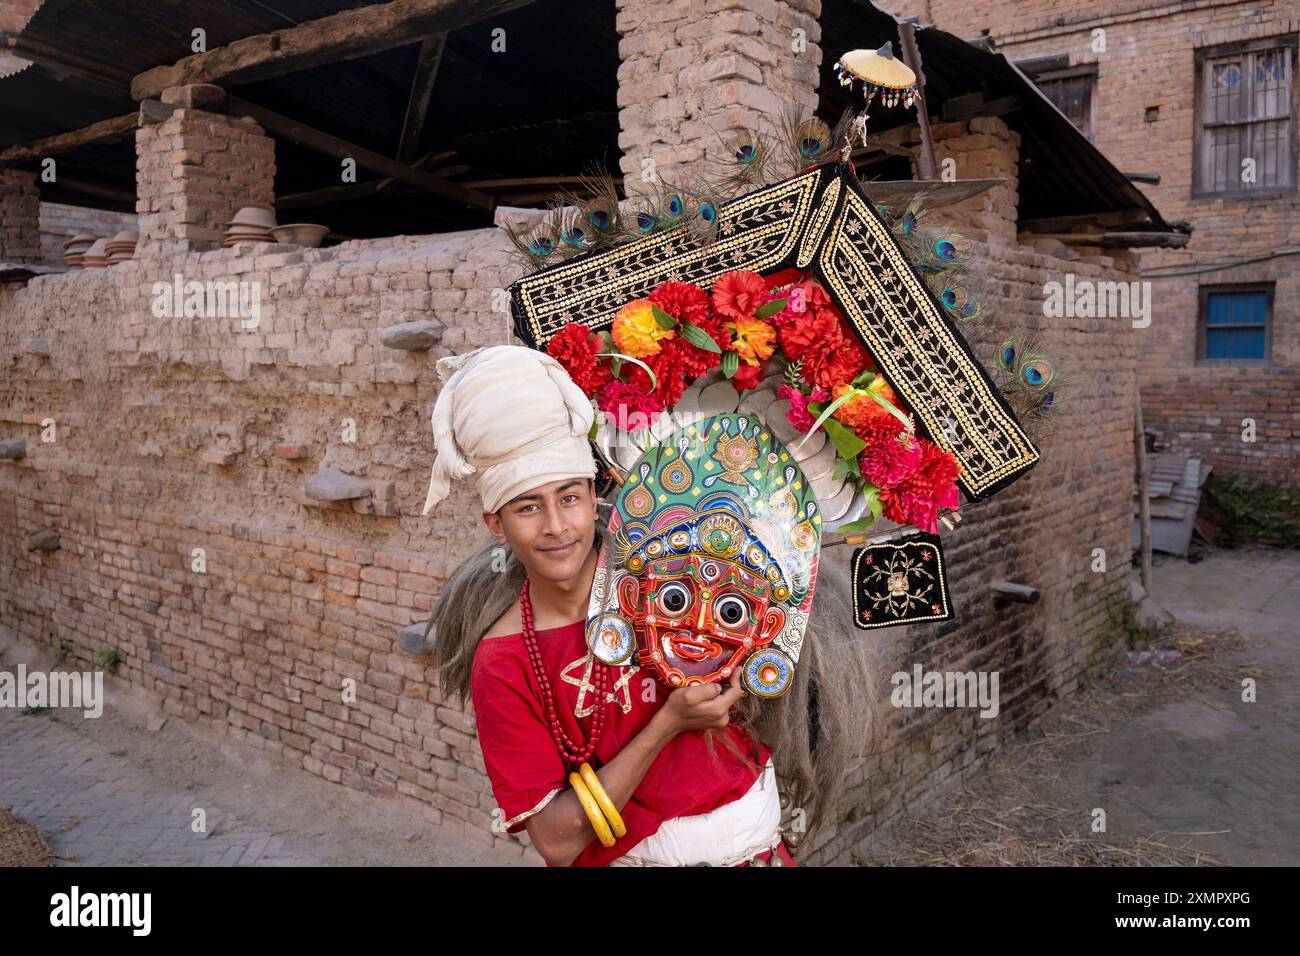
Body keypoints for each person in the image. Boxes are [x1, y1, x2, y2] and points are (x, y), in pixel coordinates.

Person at [421, 345, 798, 866]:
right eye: (529, 507)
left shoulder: (682, 572)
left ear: (593, 495)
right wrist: (668, 723)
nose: (556, 526)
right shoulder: (504, 662)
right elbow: (555, 840)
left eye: (569, 497)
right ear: (496, 523)